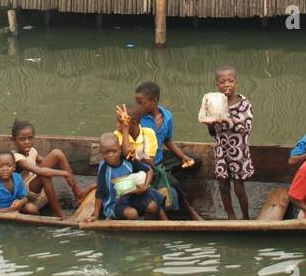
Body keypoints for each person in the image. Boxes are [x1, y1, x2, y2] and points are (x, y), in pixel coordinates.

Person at [134, 81, 195, 213]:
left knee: (196, 161)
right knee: (173, 183)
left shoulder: (167, 116)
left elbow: (168, 140)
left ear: (154, 100)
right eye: (137, 102)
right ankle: (189, 210)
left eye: (141, 102)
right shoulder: (138, 118)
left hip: (161, 157)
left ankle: (167, 177)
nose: (138, 106)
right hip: (144, 161)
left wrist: (184, 157)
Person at [10, 120, 88, 218]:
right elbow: (39, 171)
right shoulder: (17, 158)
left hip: (33, 186)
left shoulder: (32, 151)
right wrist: (64, 173)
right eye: (22, 139)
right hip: (25, 192)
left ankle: (78, 193)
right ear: (14, 140)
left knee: (57, 154)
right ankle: (61, 215)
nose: (27, 142)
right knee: (44, 174)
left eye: (30, 138)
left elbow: (45, 161)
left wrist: (64, 166)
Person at [84, 133, 166, 222]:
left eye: (114, 151)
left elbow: (149, 170)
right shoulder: (104, 168)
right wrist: (95, 215)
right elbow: (100, 192)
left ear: (119, 149)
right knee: (132, 214)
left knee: (152, 206)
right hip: (115, 203)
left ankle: (147, 229)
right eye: (106, 153)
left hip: (133, 197)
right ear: (101, 153)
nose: (111, 155)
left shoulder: (128, 159)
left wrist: (145, 187)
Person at [207, 66, 253, 219]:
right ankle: (231, 217)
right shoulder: (213, 104)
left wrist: (228, 119)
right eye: (222, 82)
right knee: (222, 184)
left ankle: (246, 218)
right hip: (221, 150)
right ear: (217, 85)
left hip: (238, 150)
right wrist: (211, 124)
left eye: (230, 81)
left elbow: (245, 127)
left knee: (239, 185)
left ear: (236, 83)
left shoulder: (244, 103)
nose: (226, 84)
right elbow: (213, 133)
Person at [0, 150, 40, 215]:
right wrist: (9, 210)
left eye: (9, 165)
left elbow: (25, 197)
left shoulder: (17, 178)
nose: (5, 169)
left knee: (31, 208)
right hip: (0, 213)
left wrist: (21, 202)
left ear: (14, 167)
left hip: (16, 209)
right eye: (0, 166)